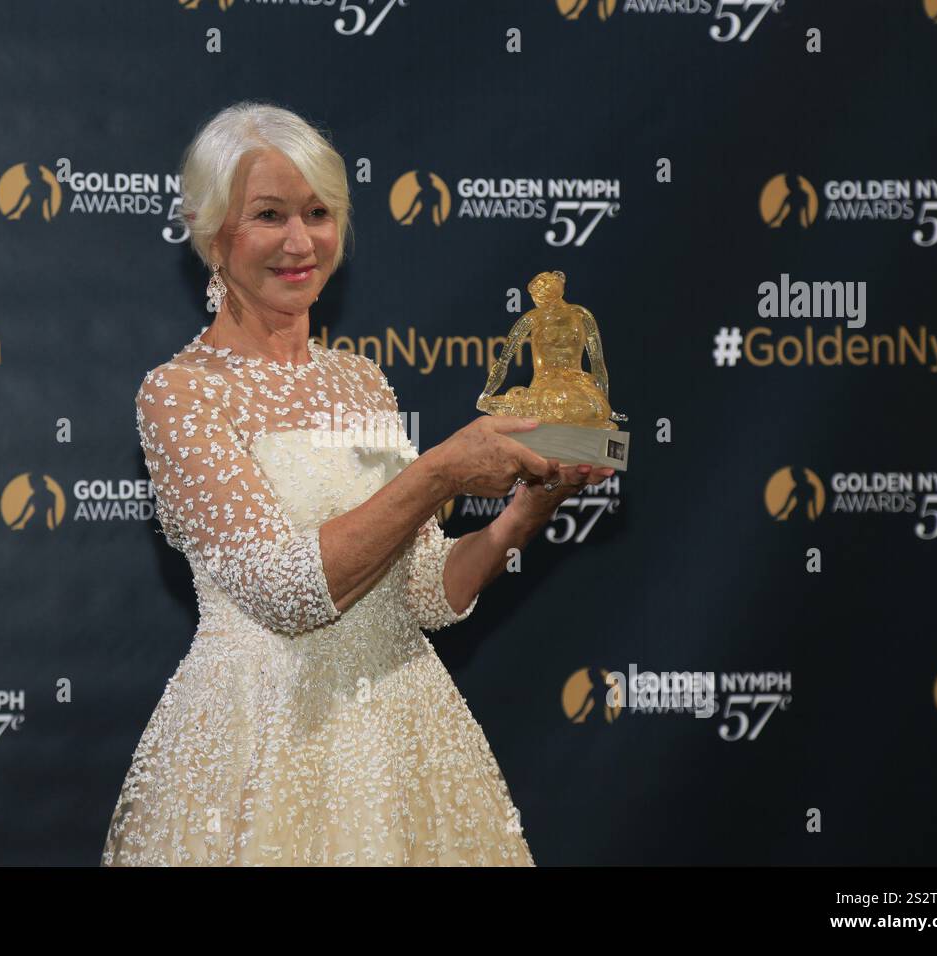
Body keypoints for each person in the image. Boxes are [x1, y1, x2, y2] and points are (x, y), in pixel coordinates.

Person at [101, 101, 615, 866]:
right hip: (261, 747)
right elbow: (289, 592)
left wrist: (525, 511)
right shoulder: (180, 394)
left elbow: (419, 593)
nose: (301, 242)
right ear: (214, 235)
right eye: (270, 215)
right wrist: (440, 469)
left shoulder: (362, 384)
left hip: (400, 739)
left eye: (319, 212)